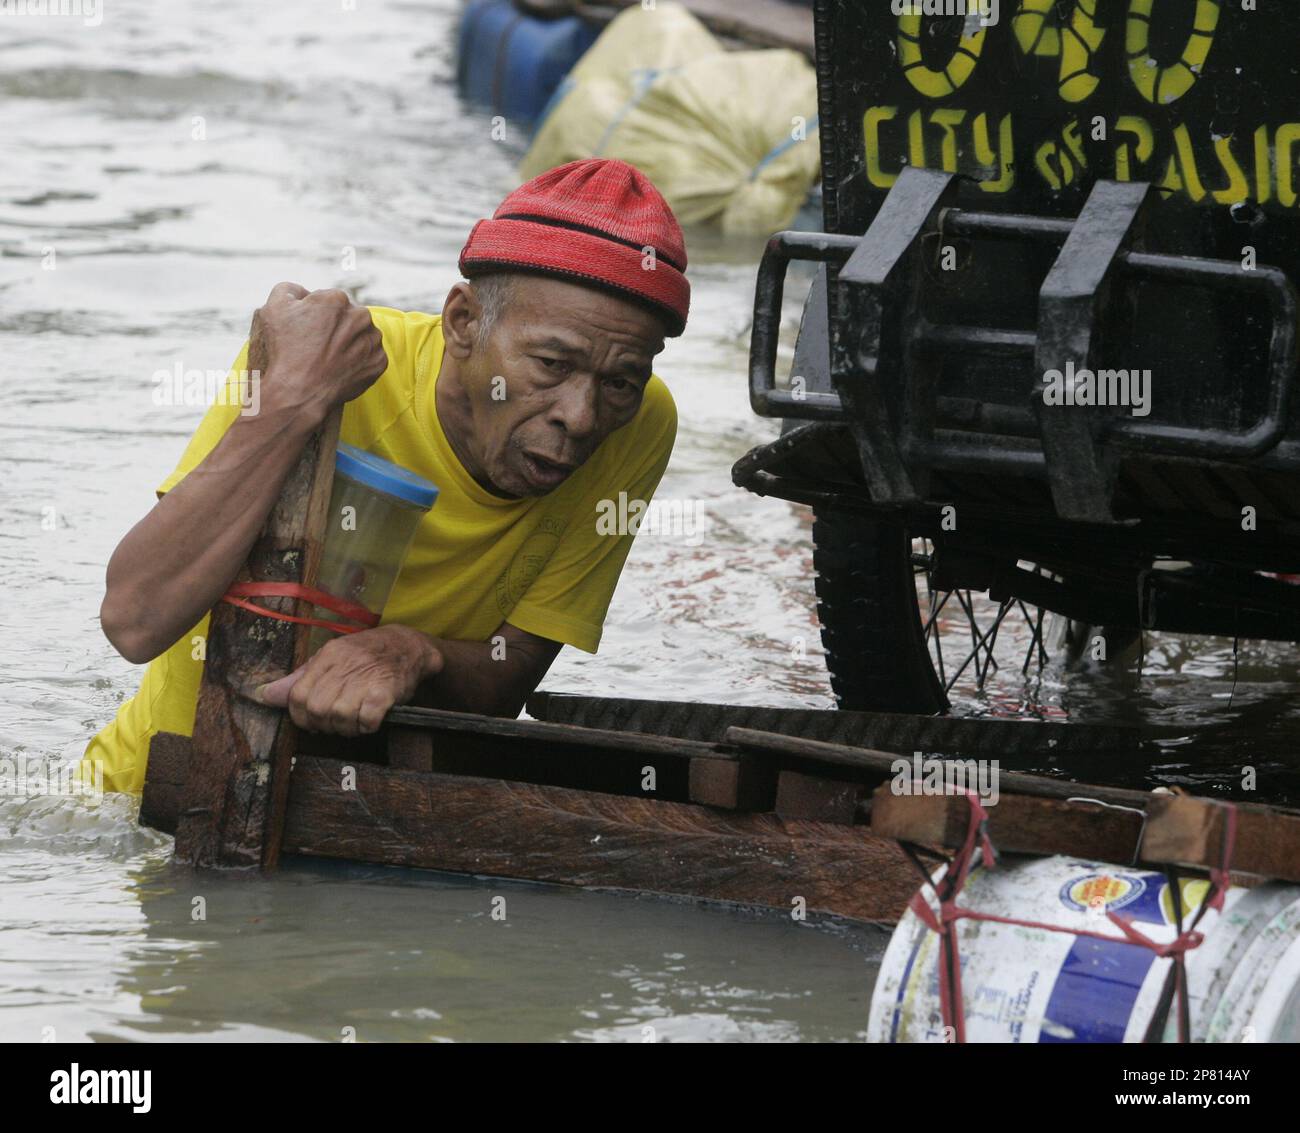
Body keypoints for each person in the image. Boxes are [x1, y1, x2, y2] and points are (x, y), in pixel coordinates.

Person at [83, 158, 687, 795]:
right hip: (153, 803)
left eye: (619, 381)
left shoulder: (640, 421)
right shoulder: (324, 367)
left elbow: (506, 684)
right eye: (550, 363)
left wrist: (411, 651)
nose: (581, 416)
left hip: (359, 819)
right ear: (463, 323)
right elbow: (135, 619)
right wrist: (289, 402)